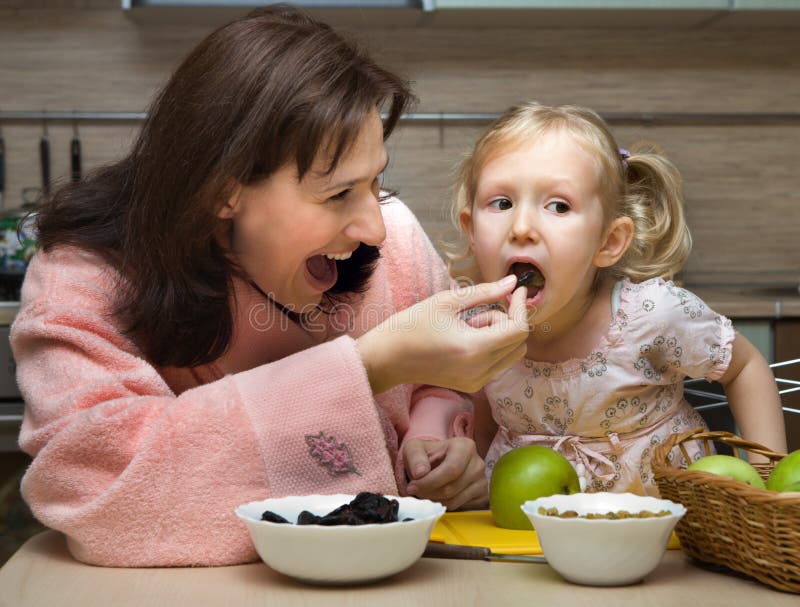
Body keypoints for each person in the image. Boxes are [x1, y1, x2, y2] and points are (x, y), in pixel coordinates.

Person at [10, 5, 530, 567]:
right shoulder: (86, 277)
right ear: (223, 192)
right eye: (338, 194)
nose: (375, 226)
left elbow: (439, 387)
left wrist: (436, 439)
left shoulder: (394, 239)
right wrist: (370, 367)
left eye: (375, 180)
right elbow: (95, 486)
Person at [448, 101, 787, 496]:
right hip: (530, 526)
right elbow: (486, 431)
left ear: (609, 242)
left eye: (558, 206)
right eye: (502, 203)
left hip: (672, 523)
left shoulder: (654, 315)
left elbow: (744, 367)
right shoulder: (480, 329)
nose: (521, 227)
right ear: (471, 230)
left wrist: (769, 483)